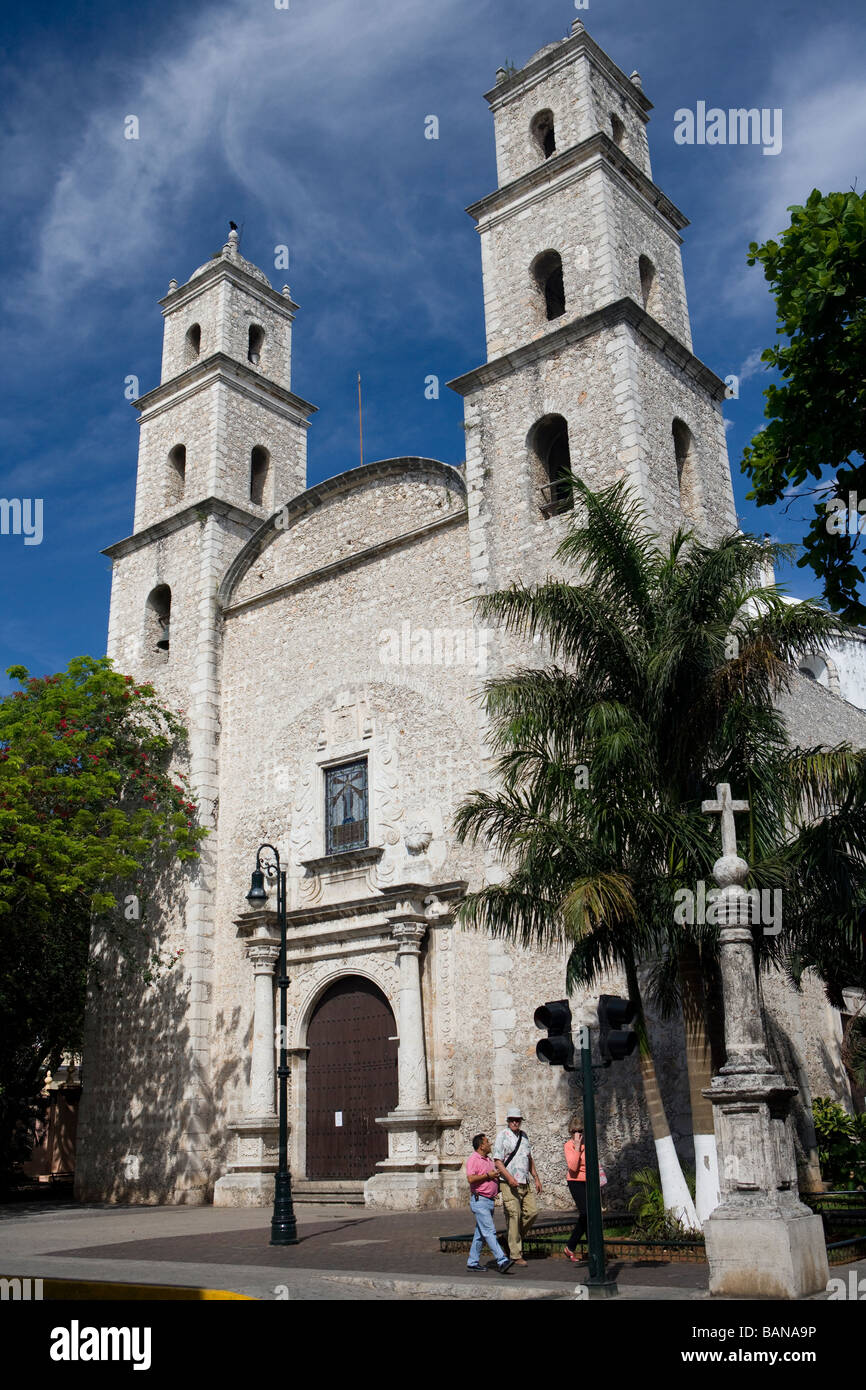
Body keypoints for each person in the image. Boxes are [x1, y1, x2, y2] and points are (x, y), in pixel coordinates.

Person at [492, 1105, 542, 1266]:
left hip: (524, 1182)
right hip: (508, 1183)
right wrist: (509, 1178)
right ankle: (515, 1254)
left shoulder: (524, 1136)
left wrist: (536, 1177)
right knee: (514, 1215)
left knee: (532, 1212)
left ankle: (510, 1239)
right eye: (512, 1120)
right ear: (508, 1121)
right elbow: (498, 1161)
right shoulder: (502, 1136)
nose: (515, 1122)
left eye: (517, 1120)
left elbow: (529, 1158)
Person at [465, 1134, 514, 1274]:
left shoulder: (488, 1160)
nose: (490, 1144)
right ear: (481, 1145)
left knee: (480, 1233)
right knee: (489, 1231)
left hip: (489, 1201)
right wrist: (488, 1176)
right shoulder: (473, 1159)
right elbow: (470, 1178)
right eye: (487, 1142)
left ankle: (472, 1262)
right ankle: (502, 1260)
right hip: (479, 1200)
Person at [563, 1116, 588, 1262]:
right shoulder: (569, 1145)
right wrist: (577, 1147)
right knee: (585, 1213)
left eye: (580, 1131)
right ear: (570, 1132)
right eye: (574, 1131)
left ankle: (571, 1248)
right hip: (575, 1181)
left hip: (589, 1181)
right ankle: (571, 1246)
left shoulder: (589, 1143)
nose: (577, 1134)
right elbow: (573, 1167)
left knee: (589, 1215)